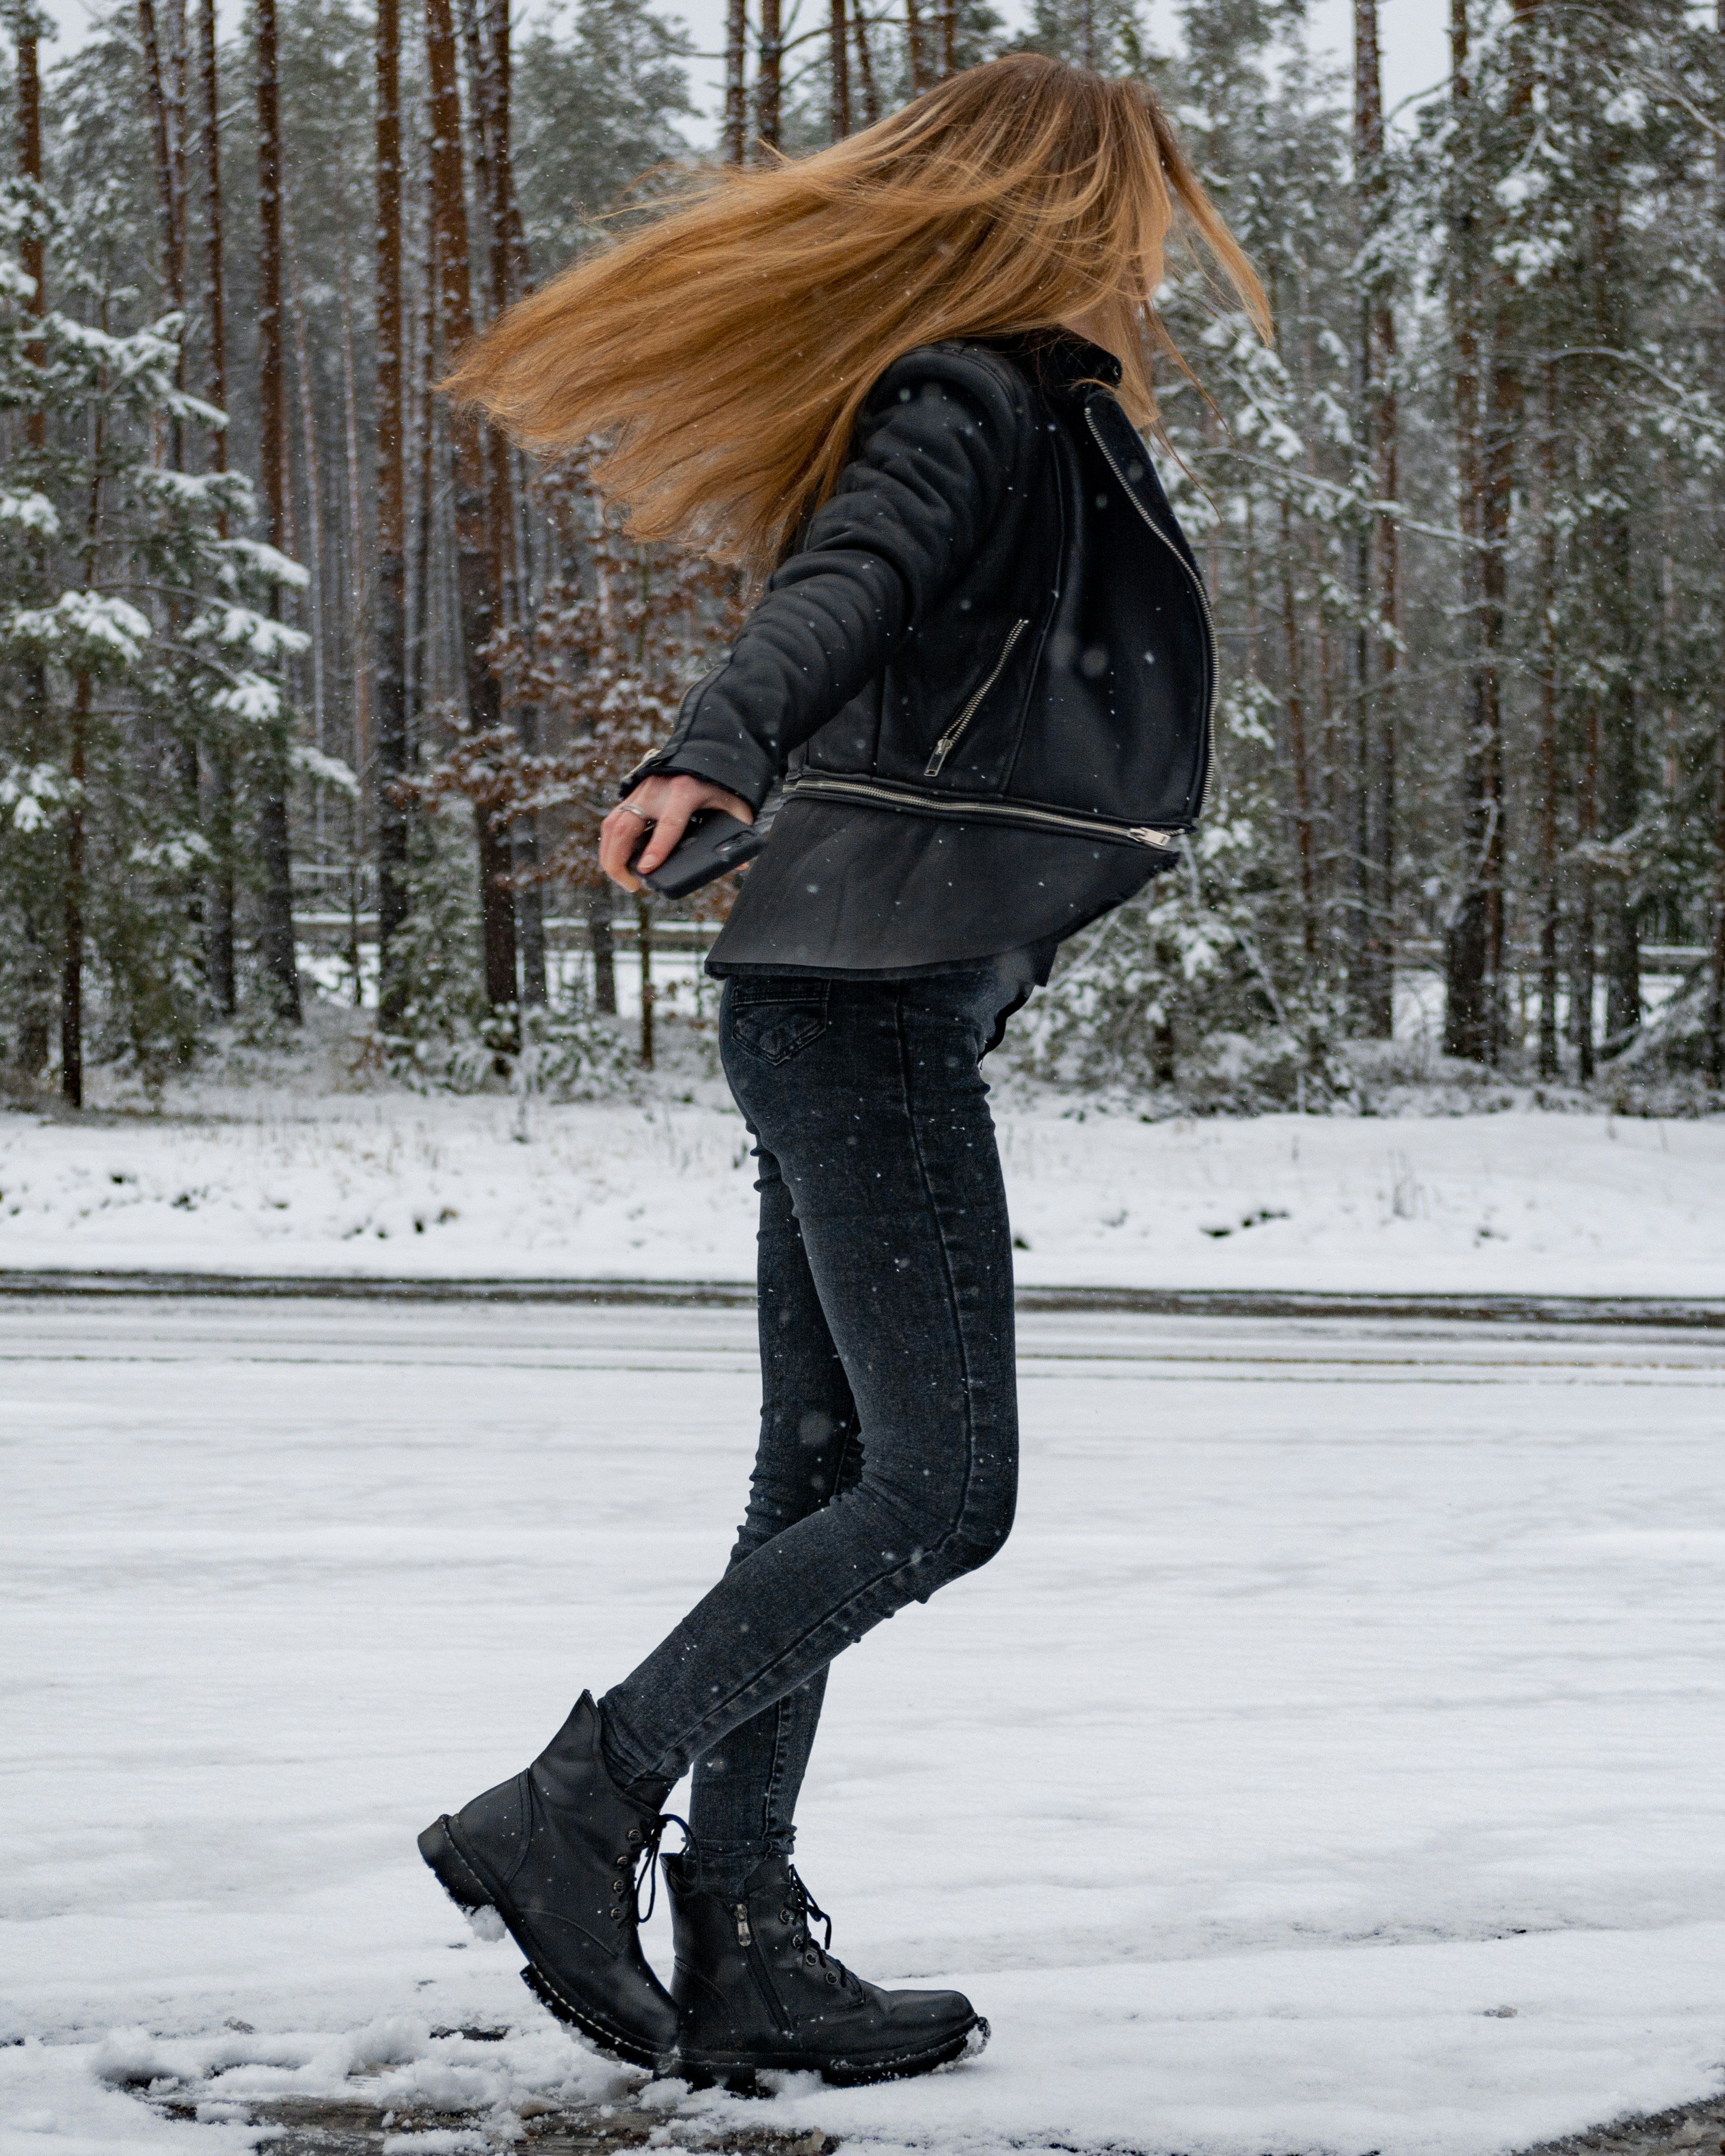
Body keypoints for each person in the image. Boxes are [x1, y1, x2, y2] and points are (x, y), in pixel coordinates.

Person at [416, 51, 1268, 2091]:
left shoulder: (1026, 398)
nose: (1155, 239)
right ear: (1069, 201)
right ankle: (576, 1802)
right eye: (1136, 200)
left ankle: (742, 1937)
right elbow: (845, 582)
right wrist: (714, 739)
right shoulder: (970, 391)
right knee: (937, 1492)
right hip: (861, 1003)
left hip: (863, 988)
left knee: (822, 1480)